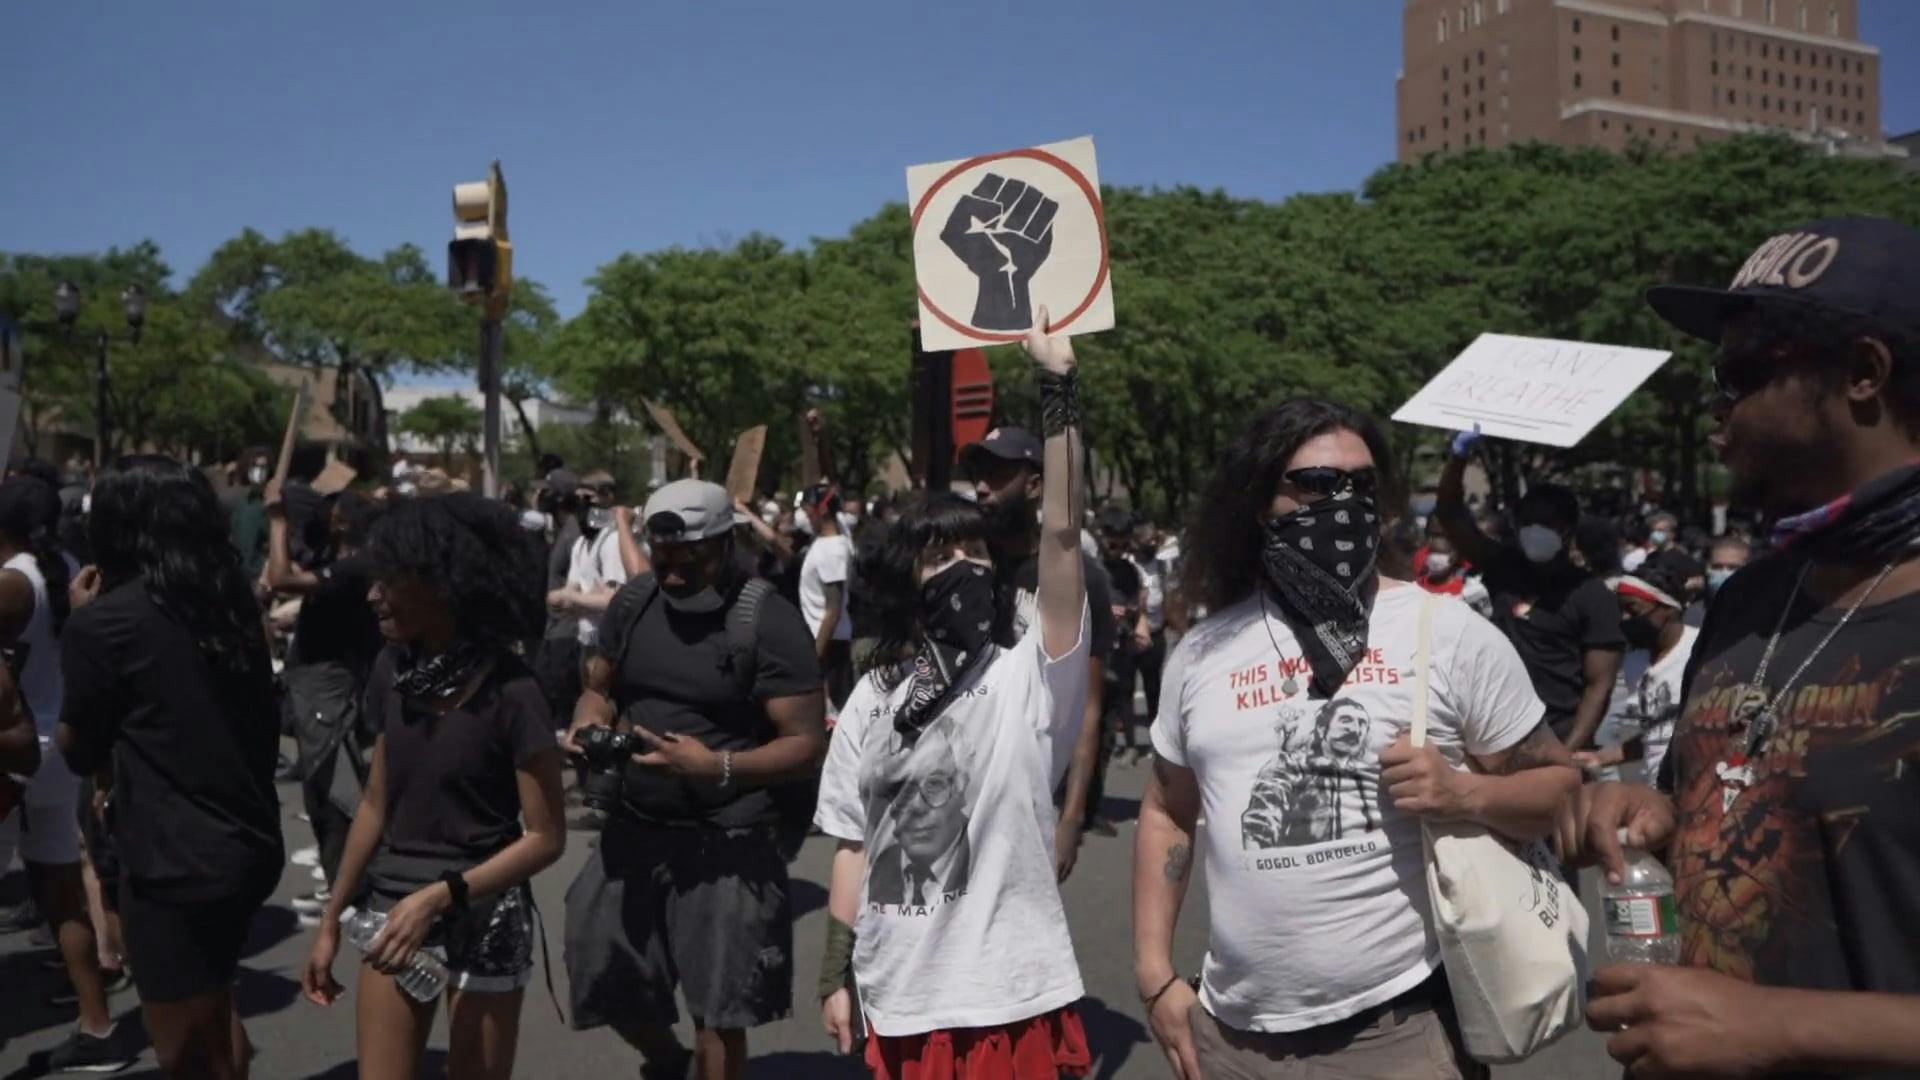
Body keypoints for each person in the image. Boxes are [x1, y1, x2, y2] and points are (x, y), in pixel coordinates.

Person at [1566, 217, 1920, 1076]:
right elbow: (1715, 790)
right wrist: (1655, 815)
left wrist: (1778, 1027)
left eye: (1739, 375)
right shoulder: (1752, 597)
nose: (1714, 405)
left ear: (1863, 375)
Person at [1134, 399, 1578, 1079]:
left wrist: (1463, 792)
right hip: (1231, 1041)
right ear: (1258, 502)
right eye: (1313, 484)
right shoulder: (1202, 652)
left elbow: (1558, 790)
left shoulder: (1445, 630)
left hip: (1398, 1037)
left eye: (1360, 486)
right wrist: (1156, 976)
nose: (1340, 502)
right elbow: (1167, 808)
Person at [816, 314, 1092, 1080]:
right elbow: (851, 841)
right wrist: (834, 972)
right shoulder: (874, 696)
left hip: (1007, 999)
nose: (962, 567)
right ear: (905, 578)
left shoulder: (1027, 665)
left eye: (974, 551)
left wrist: (1059, 388)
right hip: (899, 994)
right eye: (940, 556)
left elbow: (1062, 535)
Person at [562, 478, 826, 1080]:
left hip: (727, 841)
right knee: (600, 964)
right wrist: (587, 727)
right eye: (663, 559)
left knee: (718, 1008)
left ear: (727, 545)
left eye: (691, 560)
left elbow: (807, 746)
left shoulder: (767, 621)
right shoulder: (635, 603)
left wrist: (720, 767)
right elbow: (598, 688)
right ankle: (667, 1061)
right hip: (635, 827)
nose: (674, 573)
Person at [301, 493, 566, 1080]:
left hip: (487, 913)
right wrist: (330, 922)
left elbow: (547, 838)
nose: (373, 594)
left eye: (389, 580)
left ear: (442, 583)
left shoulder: (514, 691)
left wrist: (441, 896)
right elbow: (376, 802)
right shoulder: (392, 672)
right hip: (395, 908)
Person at [57, 455, 284, 1079]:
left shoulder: (105, 624)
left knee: (184, 1047)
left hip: (172, 860)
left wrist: (81, 624)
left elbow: (80, 750)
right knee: (212, 1012)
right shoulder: (228, 600)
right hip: (246, 839)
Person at [0, 477, 136, 1072]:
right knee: (60, 891)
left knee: (58, 889)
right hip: (61, 748)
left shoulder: (11, 583)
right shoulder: (70, 563)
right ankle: (98, 1026)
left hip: (15, 751)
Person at [962, 427, 1116, 874]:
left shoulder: (1076, 578)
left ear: (1033, 486)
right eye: (979, 474)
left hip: (1033, 794)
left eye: (997, 474)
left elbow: (1088, 706)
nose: (981, 487)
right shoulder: (963, 567)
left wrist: (1071, 817)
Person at [1437, 460, 1624, 751]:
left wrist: (1569, 752)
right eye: (1528, 522)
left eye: (1547, 523)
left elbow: (1599, 684)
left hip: (1559, 735)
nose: (1535, 531)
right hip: (1496, 734)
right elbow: (1451, 517)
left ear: (1568, 529)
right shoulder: (1502, 567)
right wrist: (1458, 460)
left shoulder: (1593, 595)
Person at [267, 486, 386, 925]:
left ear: (345, 521)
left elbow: (282, 579)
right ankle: (345, 885)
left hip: (332, 692)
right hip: (319, 688)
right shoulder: (340, 563)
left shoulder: (359, 566)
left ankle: (349, 889)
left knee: (336, 792)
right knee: (322, 791)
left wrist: (277, 523)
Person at [1572, 564, 1698, 785]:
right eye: (1621, 611)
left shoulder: (1698, 649)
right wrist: (1601, 757)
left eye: (1634, 610)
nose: (1626, 618)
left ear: (1667, 607)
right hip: (1657, 787)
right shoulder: (1635, 664)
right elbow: (1656, 735)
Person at [548, 470, 628, 671]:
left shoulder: (612, 540)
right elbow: (565, 599)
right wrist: (584, 598)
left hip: (610, 647)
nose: (582, 503)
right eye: (579, 498)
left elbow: (612, 601)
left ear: (607, 497)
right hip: (586, 642)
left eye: (589, 497)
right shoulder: (582, 544)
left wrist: (574, 598)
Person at [798, 481, 856, 711]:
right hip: (823, 643)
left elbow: (832, 611)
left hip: (829, 645)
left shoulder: (832, 550)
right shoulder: (824, 543)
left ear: (821, 510)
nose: (805, 518)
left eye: (807, 511)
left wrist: (814, 660)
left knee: (833, 717)